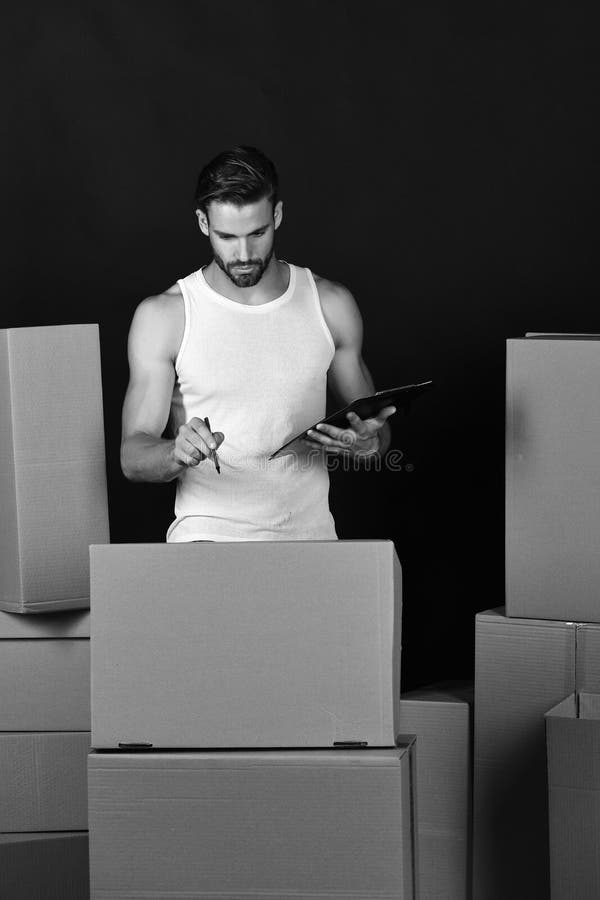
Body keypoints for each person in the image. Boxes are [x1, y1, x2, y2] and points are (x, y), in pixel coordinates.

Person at [120, 146, 396, 542]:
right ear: (203, 223)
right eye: (227, 237)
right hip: (207, 543)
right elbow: (132, 456)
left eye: (257, 233)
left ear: (277, 216)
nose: (244, 254)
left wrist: (369, 443)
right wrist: (173, 453)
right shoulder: (165, 316)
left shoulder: (330, 304)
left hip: (312, 542)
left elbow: (376, 431)